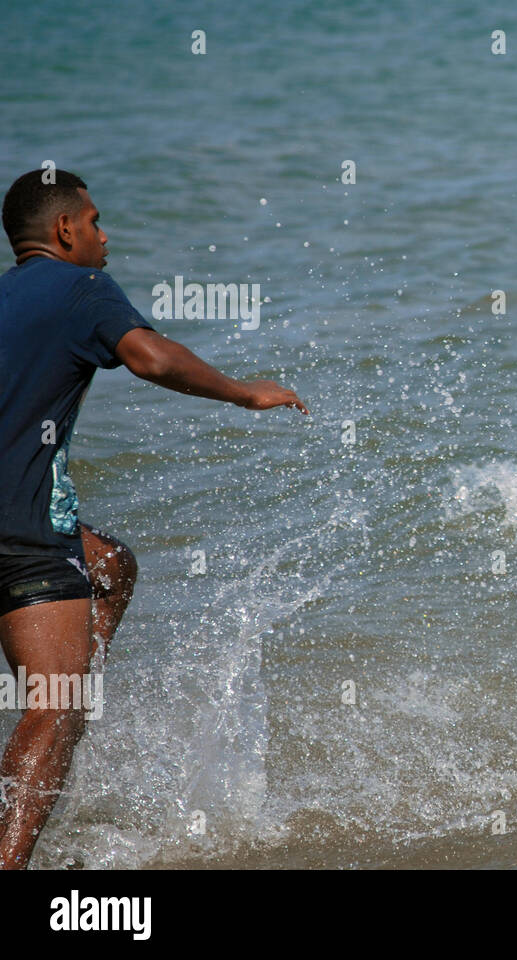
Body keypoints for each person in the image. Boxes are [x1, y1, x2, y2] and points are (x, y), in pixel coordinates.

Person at [0, 169, 308, 868]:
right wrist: (244, 393)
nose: (106, 237)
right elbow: (149, 355)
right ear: (64, 231)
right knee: (50, 698)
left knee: (109, 568)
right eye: (97, 221)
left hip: (19, 519)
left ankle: (68, 730)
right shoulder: (82, 288)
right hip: (18, 526)